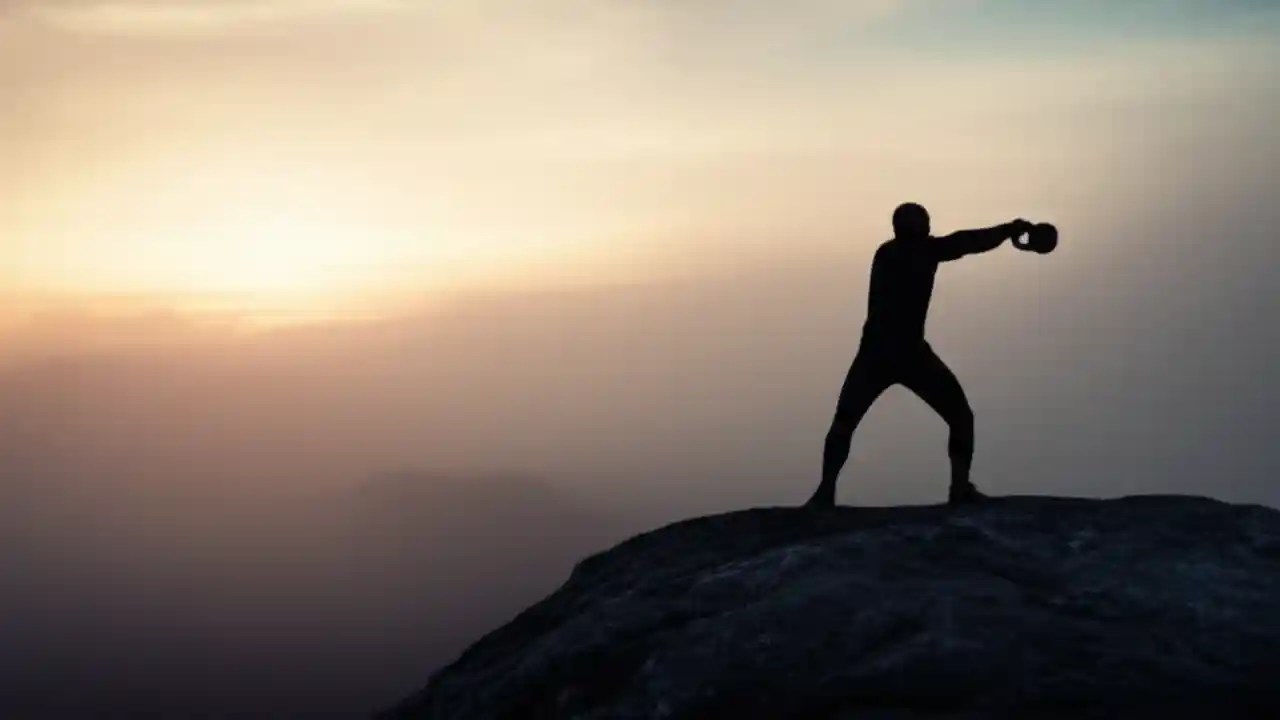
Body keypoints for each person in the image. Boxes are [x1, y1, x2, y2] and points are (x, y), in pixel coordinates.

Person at [806, 203, 1034, 508]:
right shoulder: (914, 252)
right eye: (924, 223)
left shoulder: (890, 252)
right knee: (959, 417)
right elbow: (965, 242)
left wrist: (1007, 231)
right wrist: (1008, 230)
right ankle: (959, 488)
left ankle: (825, 492)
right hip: (899, 353)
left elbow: (964, 242)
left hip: (883, 352)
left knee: (847, 421)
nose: (927, 229)